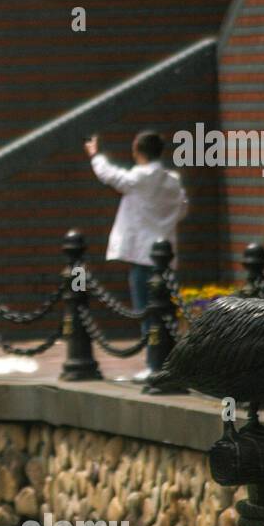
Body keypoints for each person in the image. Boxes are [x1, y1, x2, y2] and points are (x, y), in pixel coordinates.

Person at [85, 132, 189, 377]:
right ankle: (167, 364)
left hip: (143, 256)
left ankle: (154, 365)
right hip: (165, 255)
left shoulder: (140, 177)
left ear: (137, 150)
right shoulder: (172, 180)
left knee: (148, 312)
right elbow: (182, 208)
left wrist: (95, 155)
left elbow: (110, 175)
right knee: (166, 314)